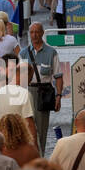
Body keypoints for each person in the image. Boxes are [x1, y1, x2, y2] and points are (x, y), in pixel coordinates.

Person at [22, 21, 63, 155]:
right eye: (32, 32)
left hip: (44, 93)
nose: (34, 35)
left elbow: (58, 76)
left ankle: (40, 156)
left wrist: (58, 96)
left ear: (42, 33)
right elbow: (17, 77)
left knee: (41, 128)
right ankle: (29, 156)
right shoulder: (23, 53)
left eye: (37, 32)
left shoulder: (52, 52)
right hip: (27, 92)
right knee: (26, 127)